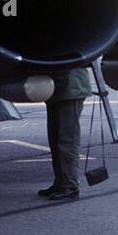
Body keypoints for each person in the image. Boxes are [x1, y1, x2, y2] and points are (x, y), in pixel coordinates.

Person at [39, 66, 93, 201]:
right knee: (55, 139)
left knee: (67, 140)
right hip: (57, 89)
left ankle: (70, 186)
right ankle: (60, 182)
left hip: (70, 89)